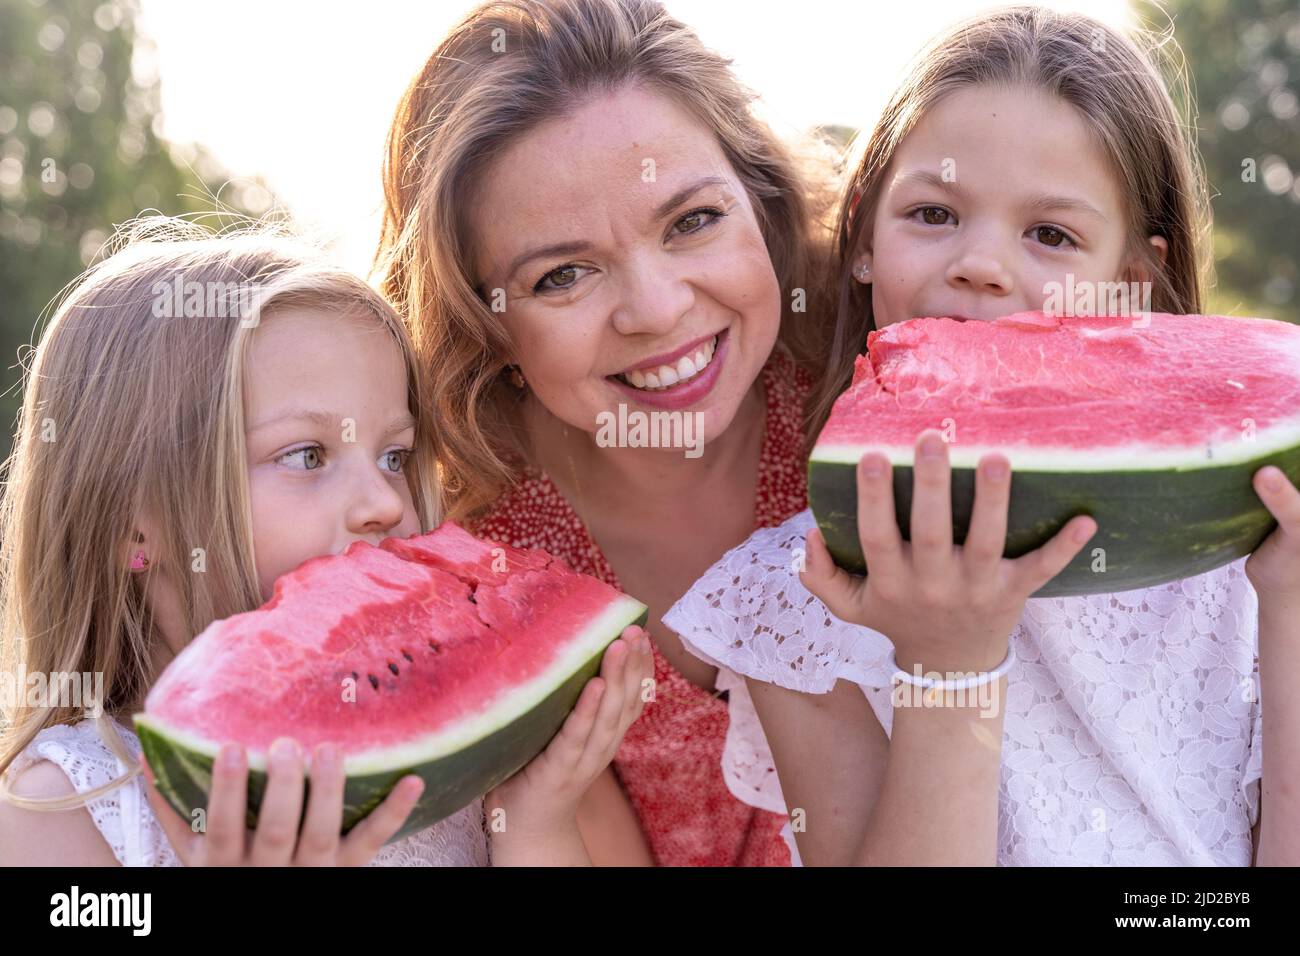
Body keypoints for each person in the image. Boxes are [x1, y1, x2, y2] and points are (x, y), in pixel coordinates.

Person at [664, 6, 1299, 865]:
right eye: (933, 213)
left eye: (1051, 234)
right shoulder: (795, 598)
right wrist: (949, 666)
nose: (983, 263)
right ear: (861, 239)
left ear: (1132, 283)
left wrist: (1291, 609)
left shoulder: (1237, 563)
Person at [0, 219, 652, 866]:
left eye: (395, 456)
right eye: (307, 455)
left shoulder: (476, 770)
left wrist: (535, 825)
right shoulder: (62, 808)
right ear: (132, 526)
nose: (384, 502)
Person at [376, 0, 837, 864]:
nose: (657, 309)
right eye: (563, 275)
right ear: (487, 326)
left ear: (762, 202)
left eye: (693, 221)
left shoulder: (875, 403)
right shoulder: (467, 561)